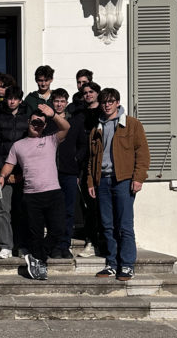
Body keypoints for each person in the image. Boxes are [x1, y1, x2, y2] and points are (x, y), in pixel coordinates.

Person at [0, 104, 70, 281]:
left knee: (58, 230)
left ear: (45, 125)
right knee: (35, 234)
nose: (37, 126)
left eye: (41, 124)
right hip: (31, 195)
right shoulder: (18, 145)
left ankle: (35, 257)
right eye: (34, 122)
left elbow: (66, 127)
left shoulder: (51, 140)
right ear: (28, 122)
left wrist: (53, 115)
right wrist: (2, 176)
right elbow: (9, 164)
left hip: (53, 193)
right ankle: (39, 264)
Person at [87, 88, 150, 282]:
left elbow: (143, 153)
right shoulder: (96, 128)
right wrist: (91, 181)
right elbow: (91, 159)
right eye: (104, 101)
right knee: (107, 225)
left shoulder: (131, 125)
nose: (107, 105)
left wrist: (138, 178)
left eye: (111, 101)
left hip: (123, 180)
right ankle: (112, 264)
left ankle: (127, 265)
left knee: (124, 225)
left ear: (118, 103)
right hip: (102, 181)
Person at [0, 86, 29, 259]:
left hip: (24, 171)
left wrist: (21, 170)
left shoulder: (27, 118)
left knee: (23, 209)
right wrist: (2, 168)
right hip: (3, 170)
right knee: (3, 209)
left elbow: (31, 143)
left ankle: (22, 245)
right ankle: (5, 245)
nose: (11, 101)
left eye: (15, 98)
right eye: (9, 98)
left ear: (20, 100)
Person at [52, 88, 88, 259]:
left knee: (68, 210)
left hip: (69, 172)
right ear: (51, 102)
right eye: (56, 101)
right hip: (50, 173)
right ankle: (53, 243)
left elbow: (83, 144)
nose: (59, 104)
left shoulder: (75, 122)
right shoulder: (47, 122)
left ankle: (64, 245)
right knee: (52, 210)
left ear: (66, 103)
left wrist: (75, 159)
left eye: (62, 101)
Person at [77, 81, 102, 257]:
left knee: (104, 206)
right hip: (85, 164)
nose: (88, 94)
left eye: (91, 91)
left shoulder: (105, 112)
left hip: (103, 165)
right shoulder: (80, 113)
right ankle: (91, 240)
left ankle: (103, 241)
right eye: (85, 92)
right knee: (90, 205)